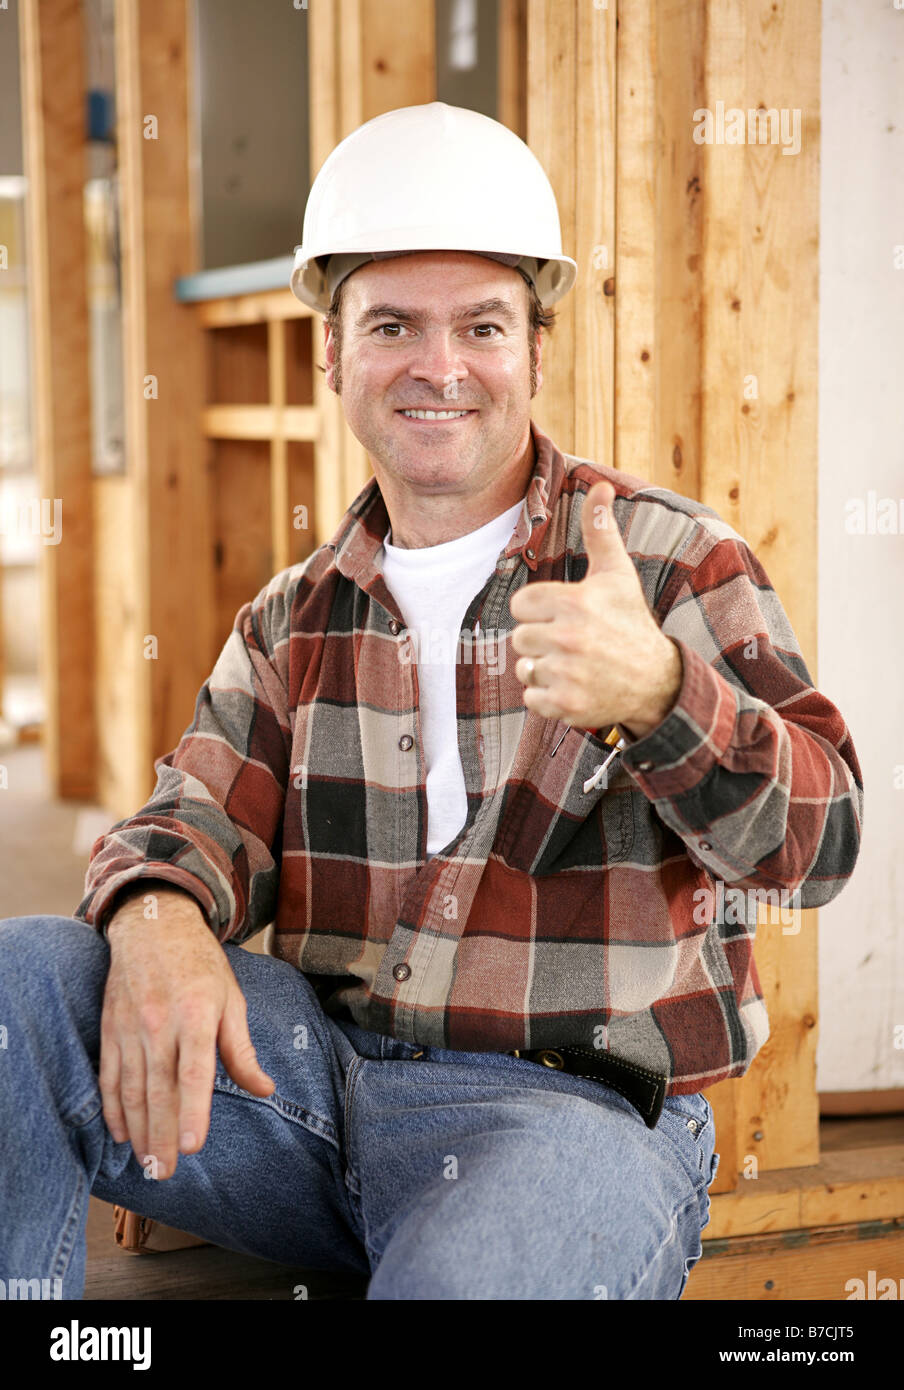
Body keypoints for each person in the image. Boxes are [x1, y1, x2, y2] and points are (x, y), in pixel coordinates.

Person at [0, 103, 862, 1301]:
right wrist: (157, 915)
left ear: (536, 352)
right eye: (392, 324)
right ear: (333, 354)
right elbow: (188, 817)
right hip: (311, 1096)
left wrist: (662, 698)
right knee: (24, 984)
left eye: (482, 326)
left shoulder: (668, 562)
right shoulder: (296, 613)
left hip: (567, 1123)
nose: (439, 366)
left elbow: (822, 847)